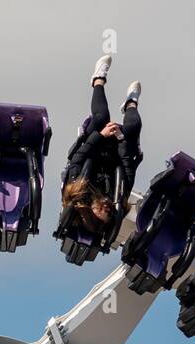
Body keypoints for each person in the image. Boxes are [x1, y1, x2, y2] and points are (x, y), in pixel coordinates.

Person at [61, 54, 143, 236]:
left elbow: (78, 158)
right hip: (117, 149)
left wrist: (101, 135)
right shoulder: (118, 199)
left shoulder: (76, 191)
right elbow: (128, 169)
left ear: (91, 211)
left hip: (94, 143)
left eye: (101, 212)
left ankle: (98, 78)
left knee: (101, 118)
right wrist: (120, 139)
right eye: (108, 213)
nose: (106, 208)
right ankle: (131, 103)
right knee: (133, 127)